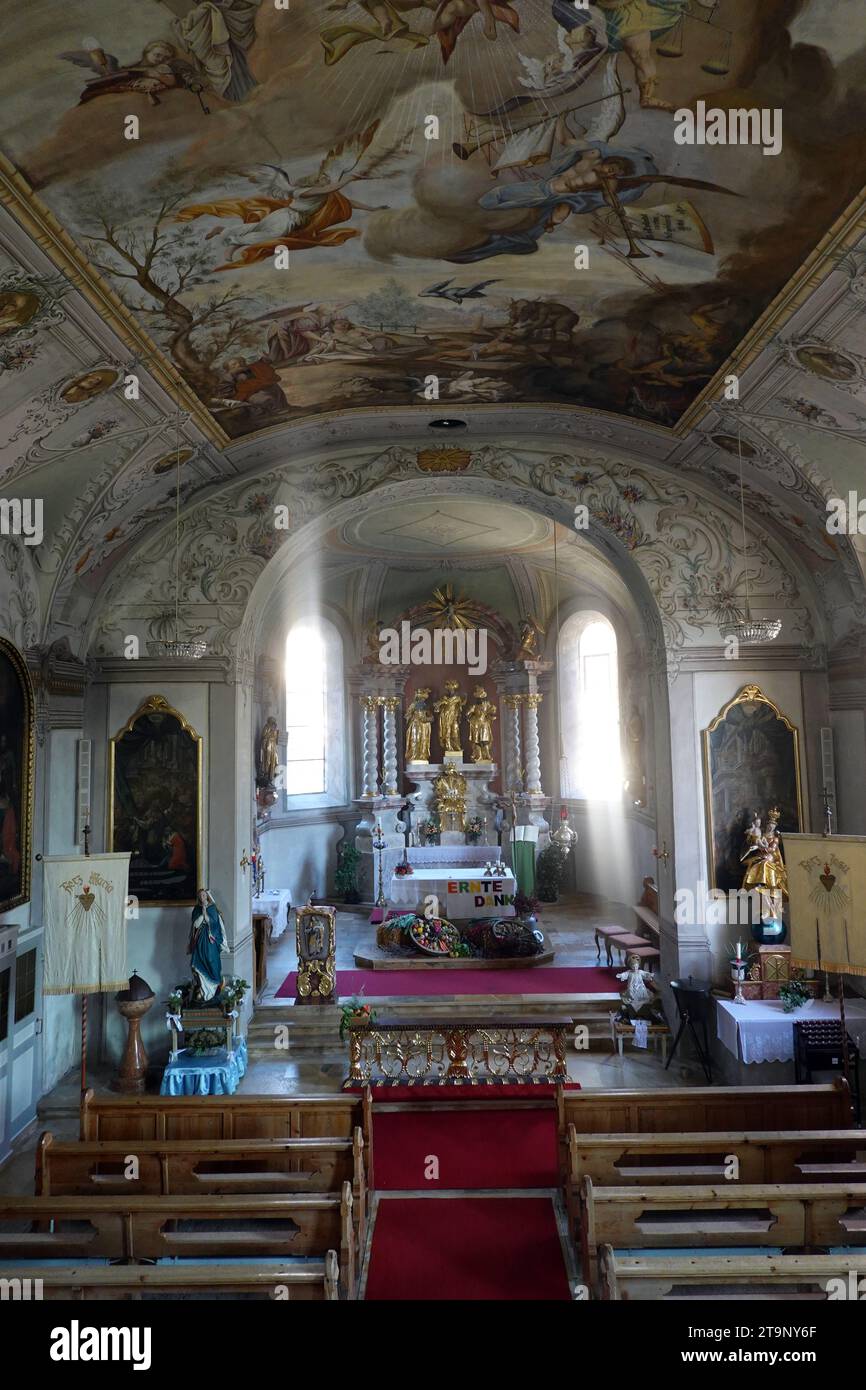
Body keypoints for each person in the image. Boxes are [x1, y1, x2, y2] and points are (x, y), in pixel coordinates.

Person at [188, 888, 228, 1002]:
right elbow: (195, 924)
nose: (202, 897)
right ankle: (203, 989)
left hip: (211, 940)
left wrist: (206, 913)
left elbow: (215, 924)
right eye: (200, 896)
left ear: (207, 896)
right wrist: (202, 914)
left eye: (204, 895)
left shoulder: (212, 908)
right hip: (200, 939)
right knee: (197, 962)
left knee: (211, 960)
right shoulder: (196, 909)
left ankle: (215, 984)